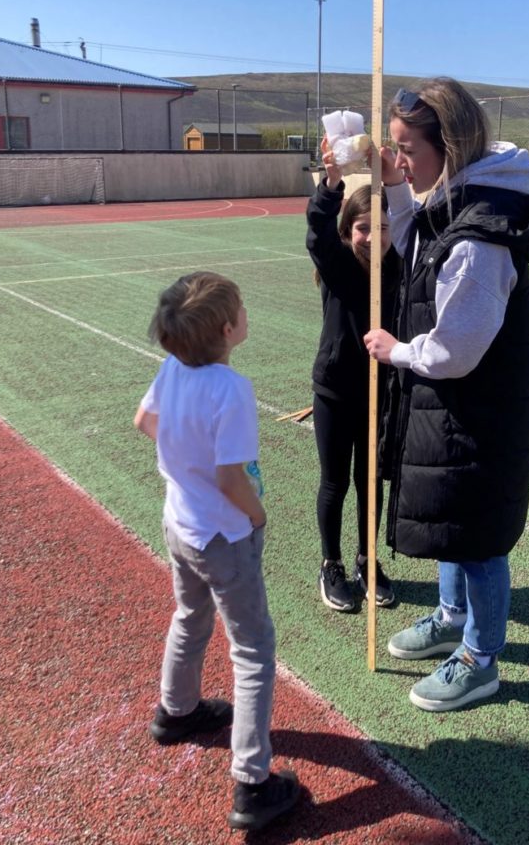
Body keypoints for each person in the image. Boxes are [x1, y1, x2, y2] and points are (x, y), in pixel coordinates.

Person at [364, 79, 529, 712]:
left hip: (479, 409)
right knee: (453, 519)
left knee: (477, 537)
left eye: (406, 152)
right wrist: (390, 183)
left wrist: (396, 351)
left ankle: (480, 659)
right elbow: (412, 236)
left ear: (447, 146)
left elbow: (454, 352)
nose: (400, 163)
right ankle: (451, 617)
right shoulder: (455, 197)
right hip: (454, 406)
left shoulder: (479, 239)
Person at [134, 271, 299, 831]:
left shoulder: (171, 369)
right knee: (253, 651)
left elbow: (144, 422)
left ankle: (175, 710)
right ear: (228, 329)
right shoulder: (230, 390)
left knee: (189, 616)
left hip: (180, 524)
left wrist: (185, 465)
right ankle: (253, 782)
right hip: (225, 536)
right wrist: (256, 515)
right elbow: (231, 476)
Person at [306, 147, 401, 611]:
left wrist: (393, 178)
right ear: (349, 231)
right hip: (335, 391)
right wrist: (331, 183)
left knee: (371, 480)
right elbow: (316, 237)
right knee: (335, 483)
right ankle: (332, 564)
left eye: (382, 228)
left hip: (378, 392)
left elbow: (418, 233)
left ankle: (368, 559)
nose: (373, 237)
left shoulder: (397, 269)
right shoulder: (338, 264)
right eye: (364, 228)